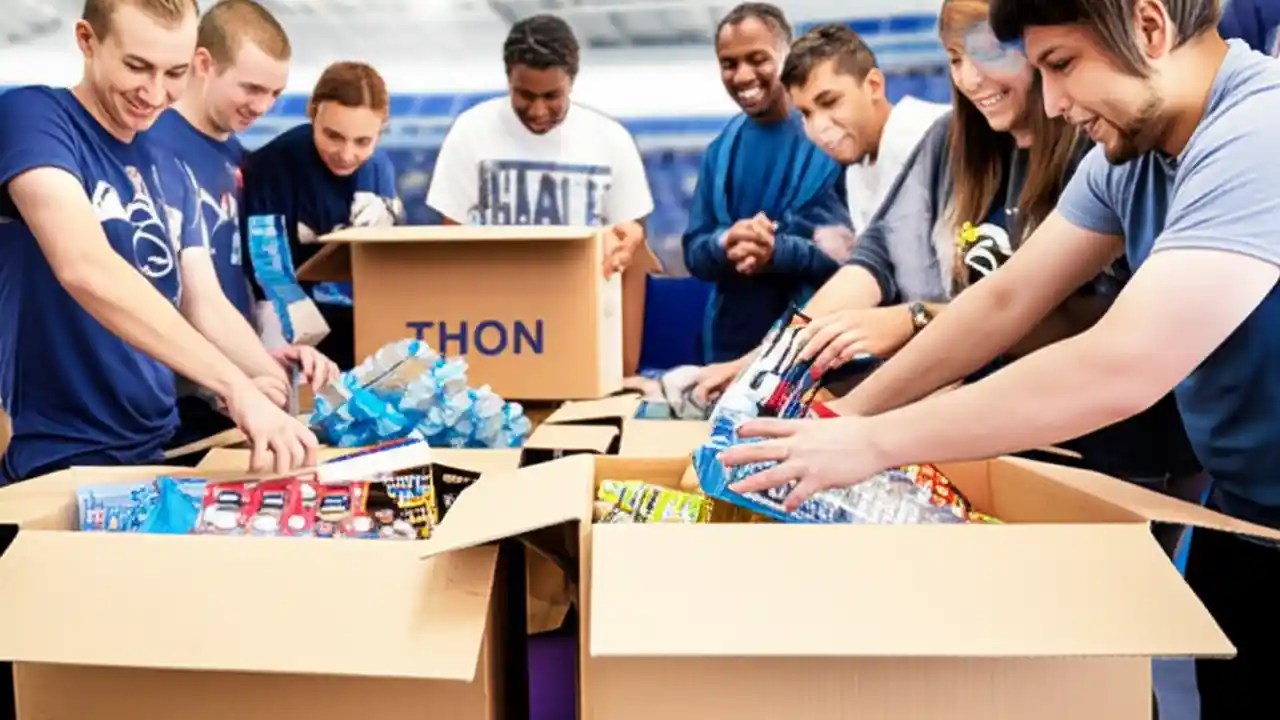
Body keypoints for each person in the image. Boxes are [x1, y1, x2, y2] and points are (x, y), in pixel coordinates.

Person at [723, 1, 1280, 715]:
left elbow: (1123, 365)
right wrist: (837, 418)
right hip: (1248, 512)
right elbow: (1003, 301)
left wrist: (869, 442)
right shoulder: (1134, 160)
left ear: (1149, 27)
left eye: (1062, 65)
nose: (1052, 102)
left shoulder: (1256, 133)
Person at [0, 0, 317, 486]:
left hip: (160, 443)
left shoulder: (170, 168)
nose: (154, 92)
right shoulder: (34, 117)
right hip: (57, 452)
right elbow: (85, 266)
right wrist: (234, 386)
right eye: (136, 66)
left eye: (175, 72)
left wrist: (273, 384)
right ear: (88, 41)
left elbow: (204, 302)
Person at [147, 0, 339, 450]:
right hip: (177, 407)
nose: (264, 106)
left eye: (275, 93)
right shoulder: (151, 146)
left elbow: (240, 282)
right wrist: (229, 379)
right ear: (203, 64)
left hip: (234, 395)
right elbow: (179, 297)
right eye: (251, 88)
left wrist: (265, 356)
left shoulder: (242, 160)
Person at [684, 2, 852, 366]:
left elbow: (854, 258)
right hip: (727, 347)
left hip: (811, 352)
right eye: (729, 64)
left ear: (787, 55)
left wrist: (776, 252)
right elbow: (695, 251)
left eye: (757, 59)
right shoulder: (719, 150)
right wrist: (726, 242)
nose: (742, 76)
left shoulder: (834, 142)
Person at [427, 13, 654, 278]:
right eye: (524, 95)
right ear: (508, 80)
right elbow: (450, 243)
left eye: (551, 96)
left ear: (571, 82)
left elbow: (631, 250)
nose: (538, 111)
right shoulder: (470, 131)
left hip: (582, 303)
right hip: (492, 303)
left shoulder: (613, 141)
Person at [240, 61, 405, 372]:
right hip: (275, 305)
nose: (346, 154)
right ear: (312, 112)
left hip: (348, 308)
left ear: (380, 131)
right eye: (333, 136)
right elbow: (265, 268)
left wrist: (390, 221)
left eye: (362, 142)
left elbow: (391, 270)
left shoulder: (379, 169)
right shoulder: (272, 166)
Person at [784, 23, 949, 235]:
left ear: (873, 86)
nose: (818, 127)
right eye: (806, 113)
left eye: (829, 102)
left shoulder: (934, 137)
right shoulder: (856, 172)